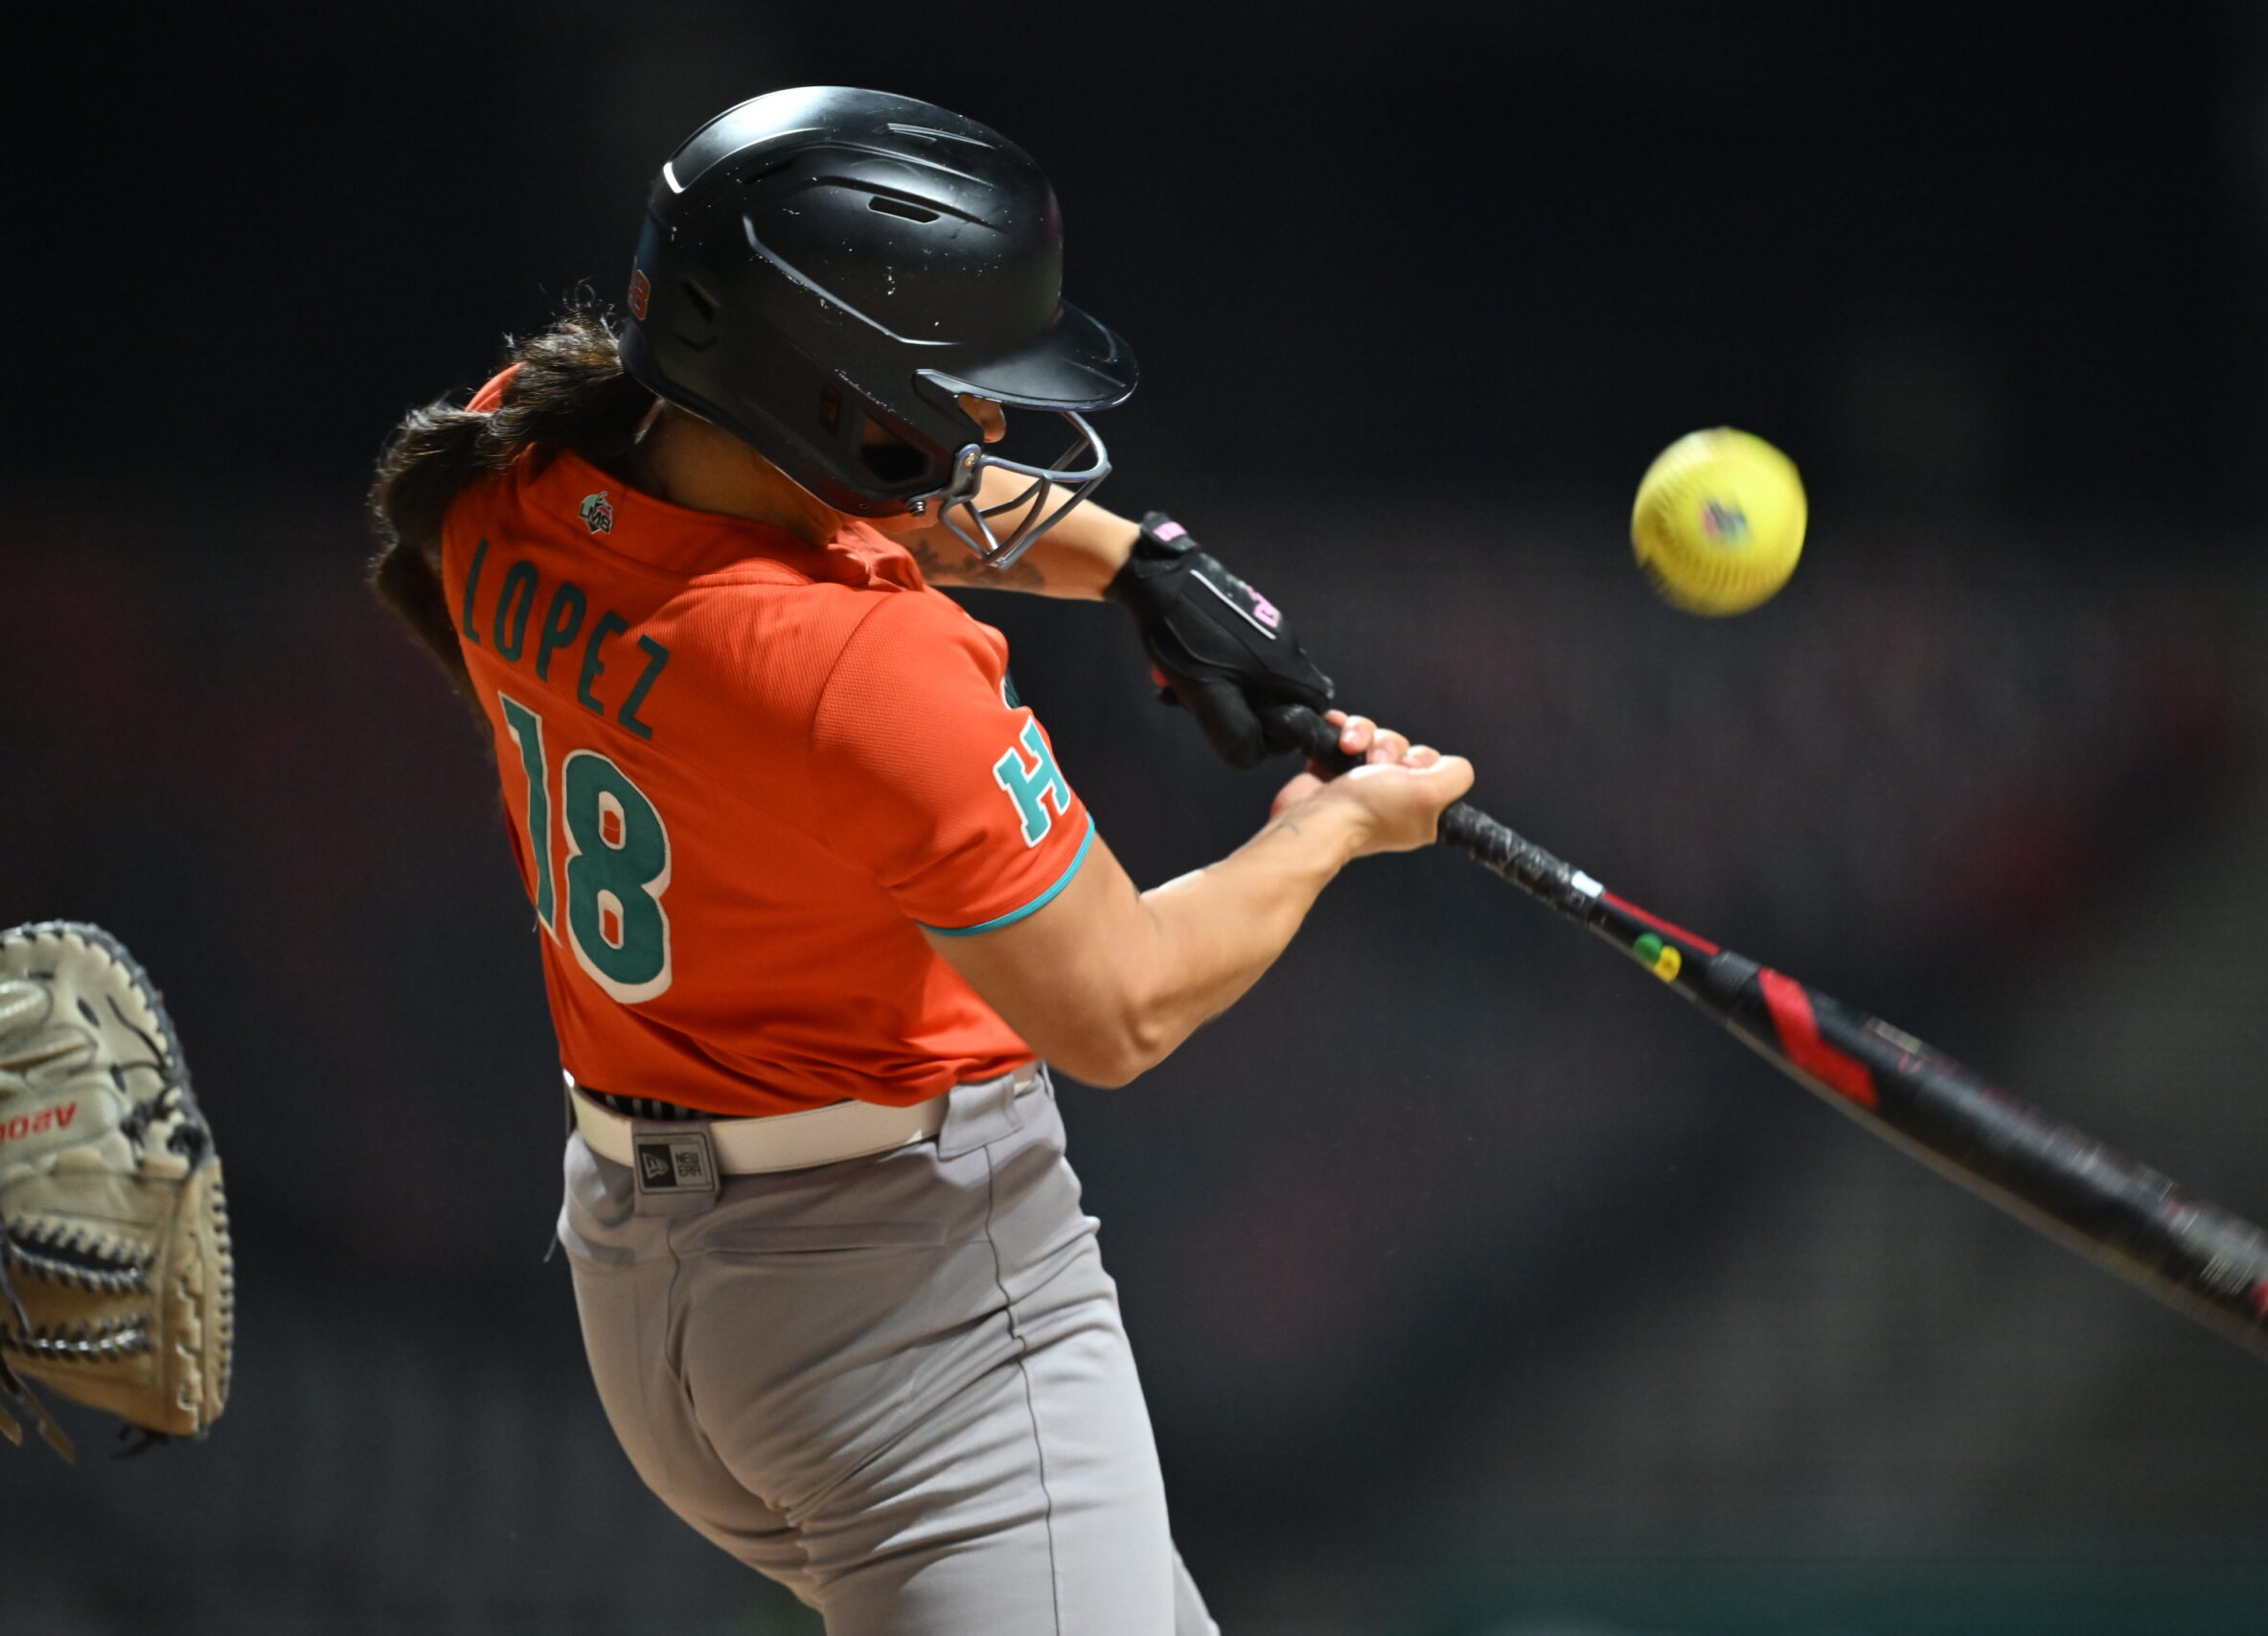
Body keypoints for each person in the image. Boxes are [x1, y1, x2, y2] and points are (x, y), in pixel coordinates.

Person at [367, 86, 1471, 1634]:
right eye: (953, 386)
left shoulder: (513, 477)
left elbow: (845, 495)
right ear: (806, 379)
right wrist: (1334, 829)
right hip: (914, 1310)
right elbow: (1120, 1009)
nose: (996, 427)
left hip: (655, 1288)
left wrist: (1139, 565)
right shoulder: (865, 667)